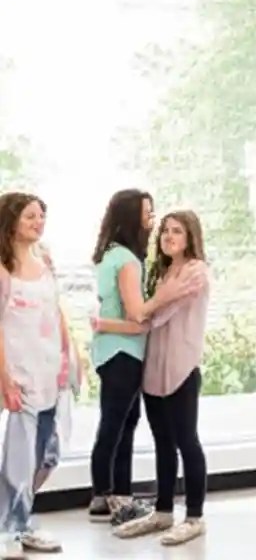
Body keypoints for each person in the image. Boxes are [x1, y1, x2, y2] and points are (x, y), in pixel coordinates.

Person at [87, 190, 198, 526]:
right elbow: (138, 316)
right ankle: (110, 496)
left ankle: (115, 495)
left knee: (122, 424)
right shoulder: (127, 260)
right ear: (131, 216)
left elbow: (117, 311)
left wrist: (104, 323)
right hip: (123, 352)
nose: (153, 221)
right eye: (148, 214)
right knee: (115, 427)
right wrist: (163, 297)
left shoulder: (109, 254)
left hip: (113, 350)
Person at [109, 211, 209, 546]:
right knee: (162, 443)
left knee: (187, 442)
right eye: (165, 230)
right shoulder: (162, 272)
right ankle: (163, 511)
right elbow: (148, 314)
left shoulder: (196, 272)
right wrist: (143, 309)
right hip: (154, 370)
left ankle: (194, 516)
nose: (168, 236)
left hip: (181, 369)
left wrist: (143, 308)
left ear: (190, 236)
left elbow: (155, 314)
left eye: (176, 231)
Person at [0, 193, 79, 558]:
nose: (38, 221)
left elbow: (57, 312)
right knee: (19, 459)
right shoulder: (2, 270)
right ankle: (10, 530)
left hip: (52, 372)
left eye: (42, 216)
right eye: (31, 216)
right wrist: (5, 377)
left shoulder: (45, 261)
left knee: (48, 455)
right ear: (11, 221)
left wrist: (69, 357)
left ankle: (20, 519)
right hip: (21, 375)